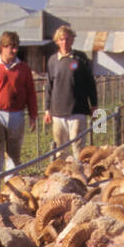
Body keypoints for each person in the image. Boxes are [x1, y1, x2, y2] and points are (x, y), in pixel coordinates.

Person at [0, 31, 37, 190]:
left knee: (14, 154)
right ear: (2, 47)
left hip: (17, 114)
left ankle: (12, 188)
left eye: (16, 47)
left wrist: (33, 115)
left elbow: (31, 93)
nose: (14, 51)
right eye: (10, 47)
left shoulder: (23, 68)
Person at [44, 25, 98, 157]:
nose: (64, 42)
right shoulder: (52, 60)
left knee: (78, 149)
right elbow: (49, 86)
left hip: (77, 110)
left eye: (67, 39)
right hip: (58, 112)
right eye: (61, 39)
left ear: (72, 40)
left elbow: (90, 83)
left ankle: (80, 175)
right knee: (61, 150)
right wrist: (47, 110)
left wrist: (94, 106)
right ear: (57, 41)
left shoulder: (80, 58)